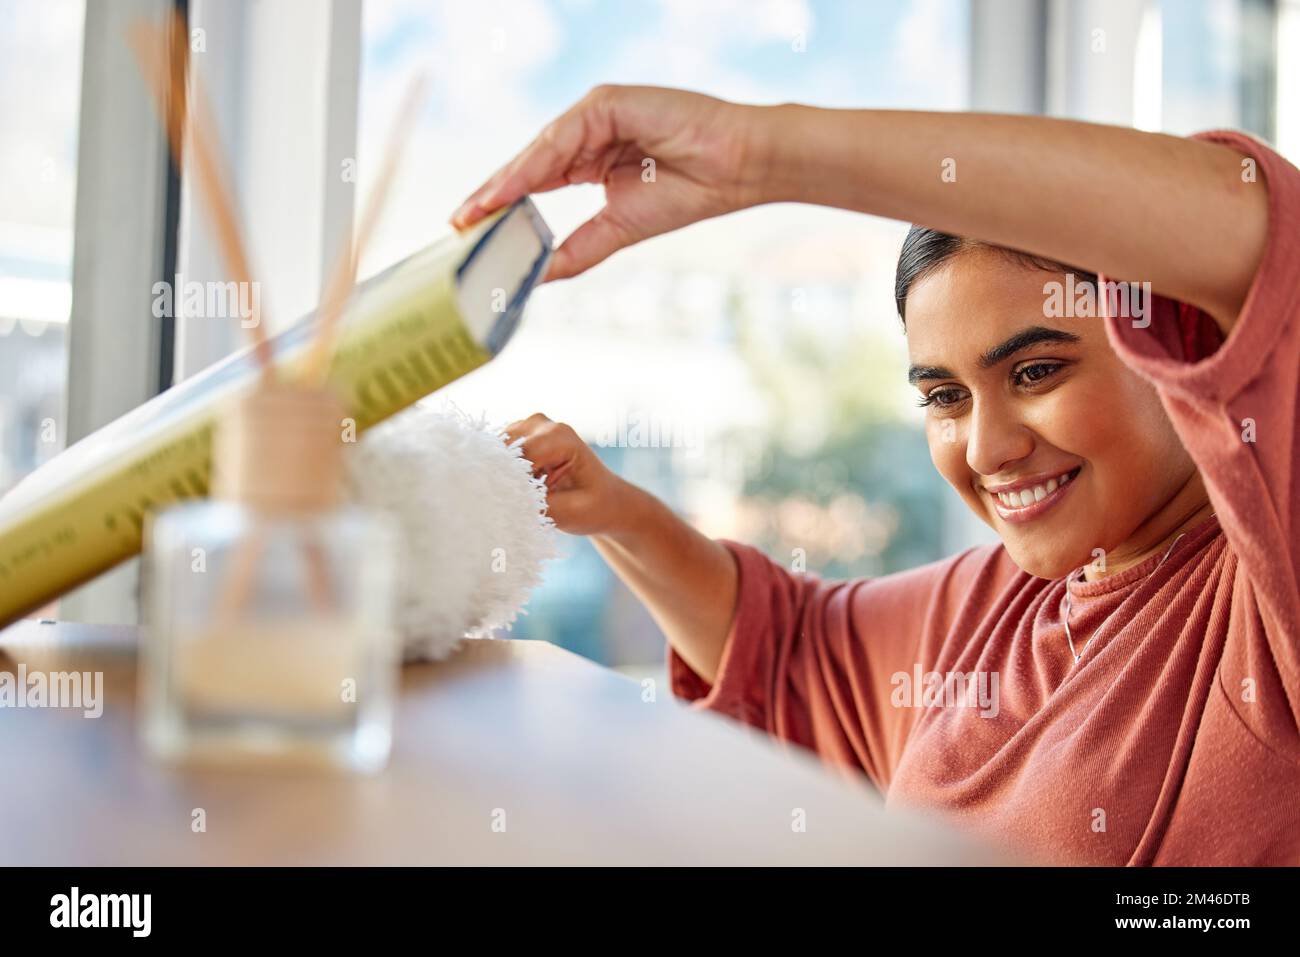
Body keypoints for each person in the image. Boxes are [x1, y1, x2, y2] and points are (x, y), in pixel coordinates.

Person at [455, 86, 1299, 866]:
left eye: (1037, 372)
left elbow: (1259, 237)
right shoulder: (996, 607)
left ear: (1172, 345)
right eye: (945, 395)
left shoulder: (1266, 601)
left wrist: (758, 154)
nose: (984, 447)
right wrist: (616, 511)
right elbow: (786, 647)